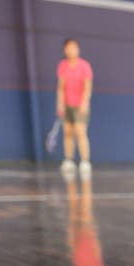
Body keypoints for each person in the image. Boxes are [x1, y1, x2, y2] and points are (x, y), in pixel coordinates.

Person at [57, 38, 93, 179]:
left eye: (74, 47)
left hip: (80, 105)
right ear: (65, 50)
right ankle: (69, 160)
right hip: (67, 104)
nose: (71, 50)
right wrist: (60, 104)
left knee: (80, 132)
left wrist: (84, 102)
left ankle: (85, 161)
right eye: (69, 47)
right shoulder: (63, 66)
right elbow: (61, 87)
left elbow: (87, 86)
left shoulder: (84, 66)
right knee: (67, 132)